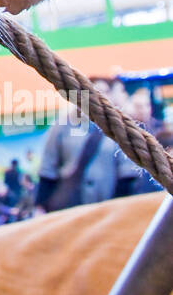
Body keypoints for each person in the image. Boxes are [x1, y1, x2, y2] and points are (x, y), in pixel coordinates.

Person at [36, 78, 141, 211]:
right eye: (92, 92)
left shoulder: (119, 127)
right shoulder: (63, 125)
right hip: (70, 205)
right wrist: (40, 205)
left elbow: (127, 172)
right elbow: (48, 168)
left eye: (104, 92)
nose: (97, 97)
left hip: (108, 208)